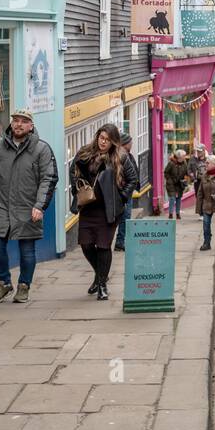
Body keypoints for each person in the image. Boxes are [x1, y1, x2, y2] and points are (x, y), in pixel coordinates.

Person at [0, 109, 57, 305]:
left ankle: (24, 286)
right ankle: (4, 282)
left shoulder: (41, 149)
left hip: (27, 207)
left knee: (27, 250)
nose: (19, 124)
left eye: (24, 121)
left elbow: (49, 179)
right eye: (16, 121)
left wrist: (39, 206)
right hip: (1, 206)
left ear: (31, 126)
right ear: (11, 123)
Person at [70, 123, 130, 301]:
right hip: (88, 207)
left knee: (103, 245)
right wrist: (77, 188)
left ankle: (102, 285)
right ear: (97, 137)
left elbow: (132, 179)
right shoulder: (85, 153)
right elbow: (73, 172)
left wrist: (121, 198)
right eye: (101, 138)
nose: (103, 142)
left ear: (114, 142)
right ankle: (99, 274)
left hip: (108, 210)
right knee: (86, 245)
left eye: (108, 140)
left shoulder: (120, 157)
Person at [114, 133, 139, 253]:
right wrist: (125, 193)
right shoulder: (122, 156)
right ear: (125, 143)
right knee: (125, 218)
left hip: (127, 192)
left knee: (125, 218)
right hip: (124, 192)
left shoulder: (127, 155)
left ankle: (121, 241)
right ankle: (119, 242)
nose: (132, 144)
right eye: (130, 142)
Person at [164, 149, 190, 219]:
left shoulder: (184, 163)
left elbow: (186, 171)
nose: (184, 158)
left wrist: (189, 176)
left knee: (178, 198)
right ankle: (171, 214)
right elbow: (166, 172)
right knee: (172, 198)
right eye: (183, 156)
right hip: (171, 184)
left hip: (179, 183)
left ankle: (178, 213)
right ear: (179, 157)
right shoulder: (171, 163)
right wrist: (169, 180)